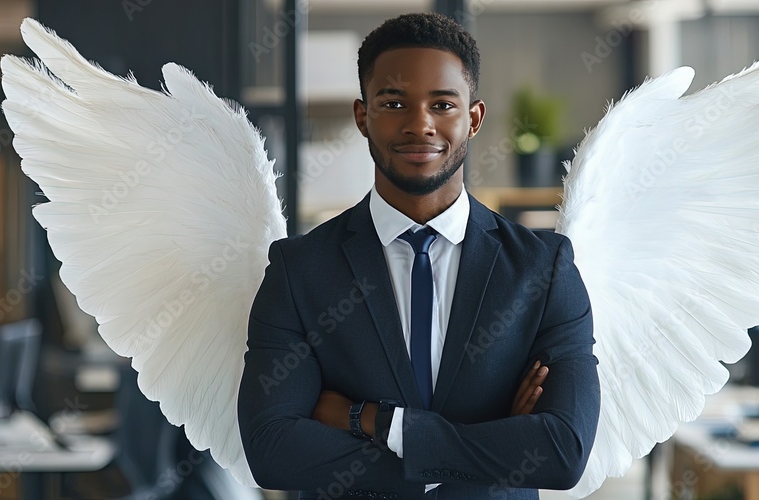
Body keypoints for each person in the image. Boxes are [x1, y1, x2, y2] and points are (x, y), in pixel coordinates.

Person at [238, 12, 600, 499]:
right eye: (393, 102)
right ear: (363, 116)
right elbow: (272, 450)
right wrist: (486, 449)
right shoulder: (299, 270)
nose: (419, 124)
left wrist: (371, 420)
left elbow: (562, 452)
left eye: (443, 104)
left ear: (473, 118)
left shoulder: (544, 268)